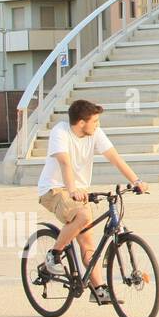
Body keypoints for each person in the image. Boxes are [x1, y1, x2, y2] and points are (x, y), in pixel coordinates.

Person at [36, 100, 147, 306]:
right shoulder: (60, 132)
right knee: (84, 216)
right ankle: (54, 255)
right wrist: (72, 190)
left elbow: (114, 157)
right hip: (55, 189)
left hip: (79, 192)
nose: (97, 124)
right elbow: (64, 162)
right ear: (80, 123)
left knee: (88, 244)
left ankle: (98, 289)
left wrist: (136, 180)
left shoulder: (94, 132)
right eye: (94, 121)